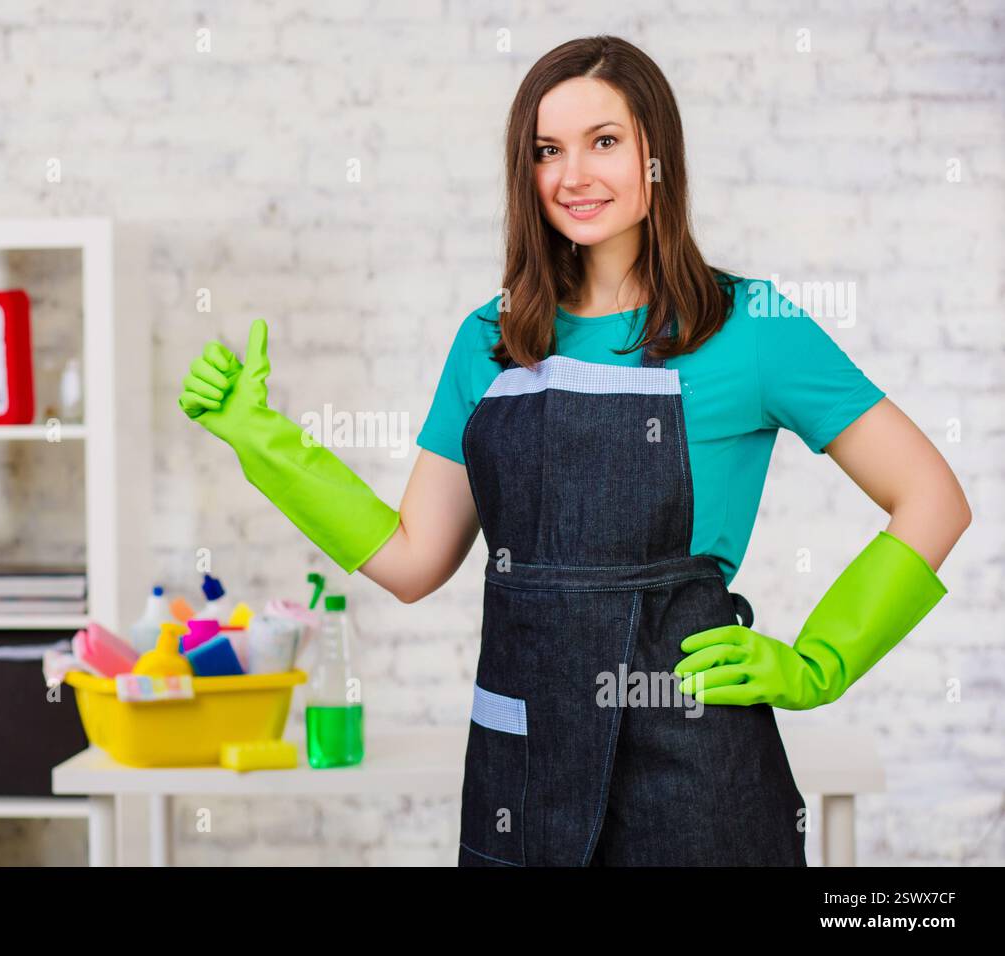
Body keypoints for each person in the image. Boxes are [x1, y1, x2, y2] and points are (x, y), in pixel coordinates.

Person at [177, 35, 972, 866]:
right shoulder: (491, 340)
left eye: (605, 142)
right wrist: (257, 438)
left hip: (692, 762)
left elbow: (932, 498)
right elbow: (412, 561)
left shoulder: (750, 327)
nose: (573, 176)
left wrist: (818, 662)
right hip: (522, 765)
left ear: (656, 154)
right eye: (547, 151)